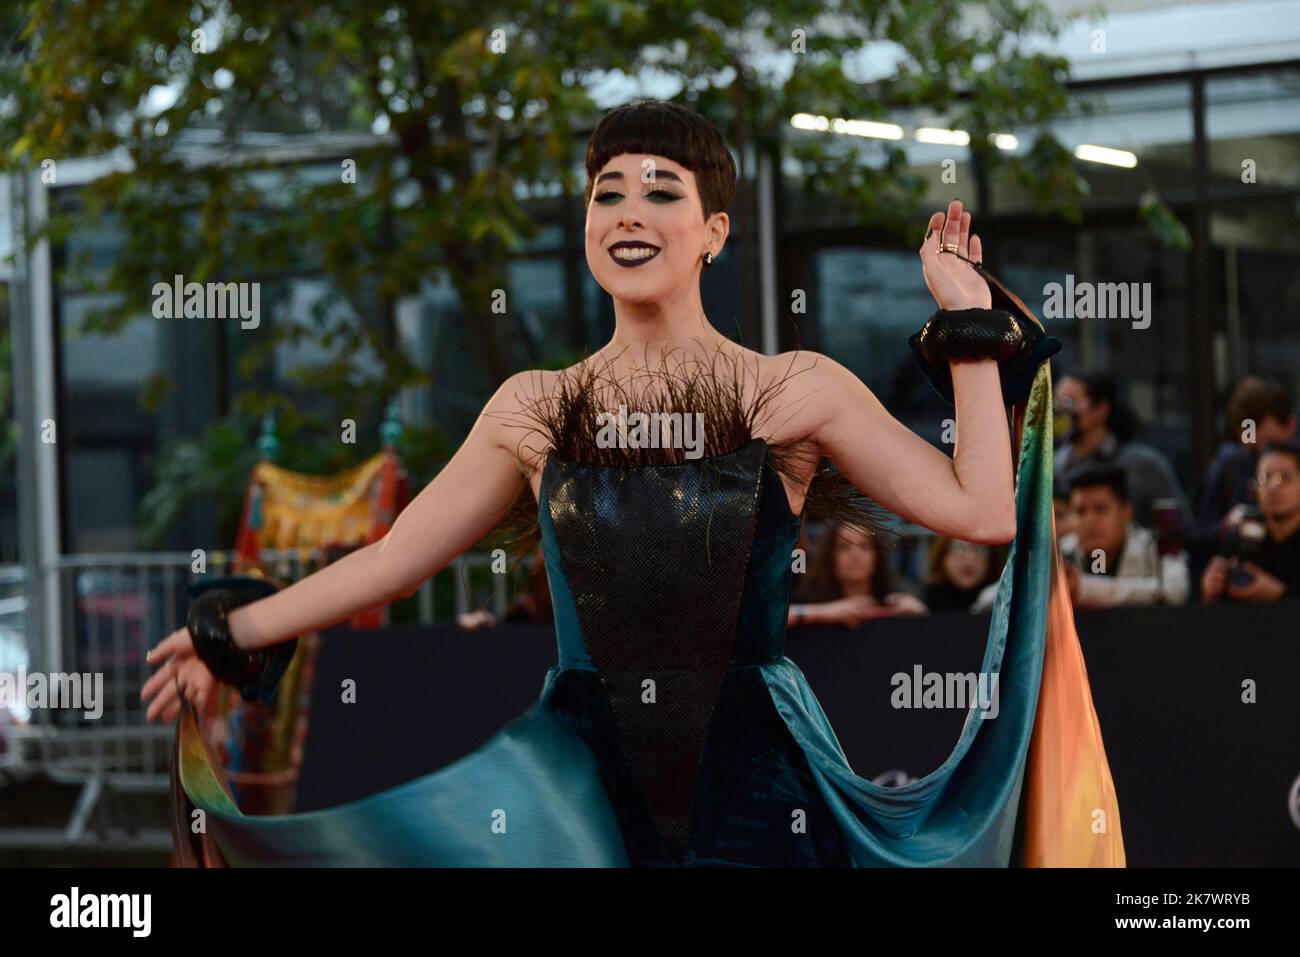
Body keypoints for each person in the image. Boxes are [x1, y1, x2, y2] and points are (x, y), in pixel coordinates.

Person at [142, 99, 1122, 867]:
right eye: (607, 193)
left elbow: (984, 510)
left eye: (660, 193)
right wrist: (226, 635)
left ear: (714, 231)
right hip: (575, 793)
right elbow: (395, 560)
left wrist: (966, 327)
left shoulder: (794, 392)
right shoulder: (532, 407)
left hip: (757, 785)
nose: (628, 214)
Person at [1054, 372, 1191, 532]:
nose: (1059, 411)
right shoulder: (1055, 467)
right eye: (1056, 403)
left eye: (1069, 402)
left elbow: (1181, 528)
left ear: (1101, 409)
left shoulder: (1142, 464)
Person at [1191, 375, 1295, 579]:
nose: (1270, 484)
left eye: (1285, 476)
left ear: (1290, 426)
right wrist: (1228, 525)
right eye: (1255, 453)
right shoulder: (1232, 466)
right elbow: (1198, 539)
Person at [1059, 466, 1190, 608]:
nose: (1089, 521)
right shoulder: (1059, 552)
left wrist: (1085, 588)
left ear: (1127, 513)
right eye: (1080, 511)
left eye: (1100, 509)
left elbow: (1177, 590)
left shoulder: (1159, 545)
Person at [1201, 441, 1300, 604]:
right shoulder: (1240, 540)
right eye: (1264, 478)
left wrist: (1280, 596)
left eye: (1286, 477)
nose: (1273, 487)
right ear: (1254, 487)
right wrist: (1210, 593)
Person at [788, 521, 927, 628]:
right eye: (844, 547)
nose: (855, 555)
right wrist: (823, 613)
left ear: (877, 556)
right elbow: (771, 621)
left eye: (864, 546)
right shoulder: (811, 601)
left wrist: (920, 614)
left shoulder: (898, 600)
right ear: (829, 557)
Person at [924, 536, 1006, 613]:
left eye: (980, 549)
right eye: (959, 548)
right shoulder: (925, 603)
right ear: (942, 555)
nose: (970, 558)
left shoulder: (1002, 601)